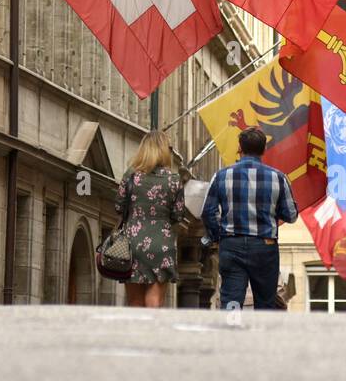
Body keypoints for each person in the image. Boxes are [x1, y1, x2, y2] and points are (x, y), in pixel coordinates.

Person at [202, 126, 298, 311]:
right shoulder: (278, 178)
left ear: (240, 147)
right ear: (264, 149)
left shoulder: (222, 176)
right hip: (265, 247)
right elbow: (291, 215)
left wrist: (216, 237)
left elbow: (208, 211)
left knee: (231, 299)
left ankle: (231, 333)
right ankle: (260, 337)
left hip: (232, 244)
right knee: (265, 302)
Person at [115, 130, 185, 308]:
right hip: (161, 243)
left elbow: (118, 207)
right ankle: (152, 335)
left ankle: (136, 336)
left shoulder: (131, 176)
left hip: (132, 243)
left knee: (134, 302)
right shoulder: (174, 180)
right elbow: (178, 215)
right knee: (154, 302)